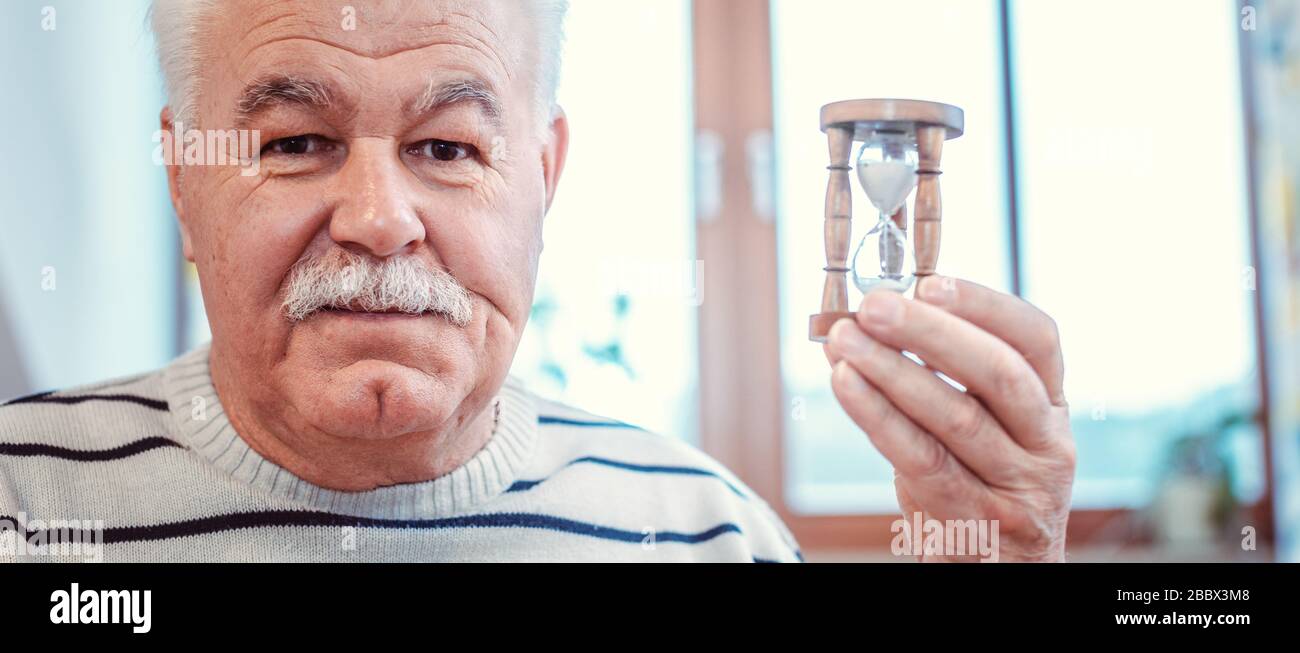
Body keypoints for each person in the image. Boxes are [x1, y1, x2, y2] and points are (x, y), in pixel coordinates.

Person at [0, 0, 1073, 562]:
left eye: (449, 148)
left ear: (544, 178)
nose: (379, 220)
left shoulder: (709, 534)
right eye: (295, 141)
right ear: (183, 180)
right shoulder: (20, 500)